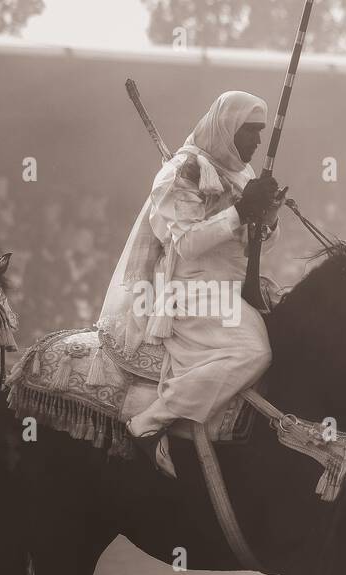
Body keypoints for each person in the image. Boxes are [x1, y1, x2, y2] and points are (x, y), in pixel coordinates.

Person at [100, 91, 284, 476]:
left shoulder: (244, 174)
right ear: (226, 128)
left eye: (261, 132)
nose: (257, 141)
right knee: (255, 352)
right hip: (192, 294)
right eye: (249, 131)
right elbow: (186, 243)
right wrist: (239, 211)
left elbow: (252, 240)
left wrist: (267, 217)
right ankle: (149, 421)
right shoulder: (181, 172)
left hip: (232, 290)